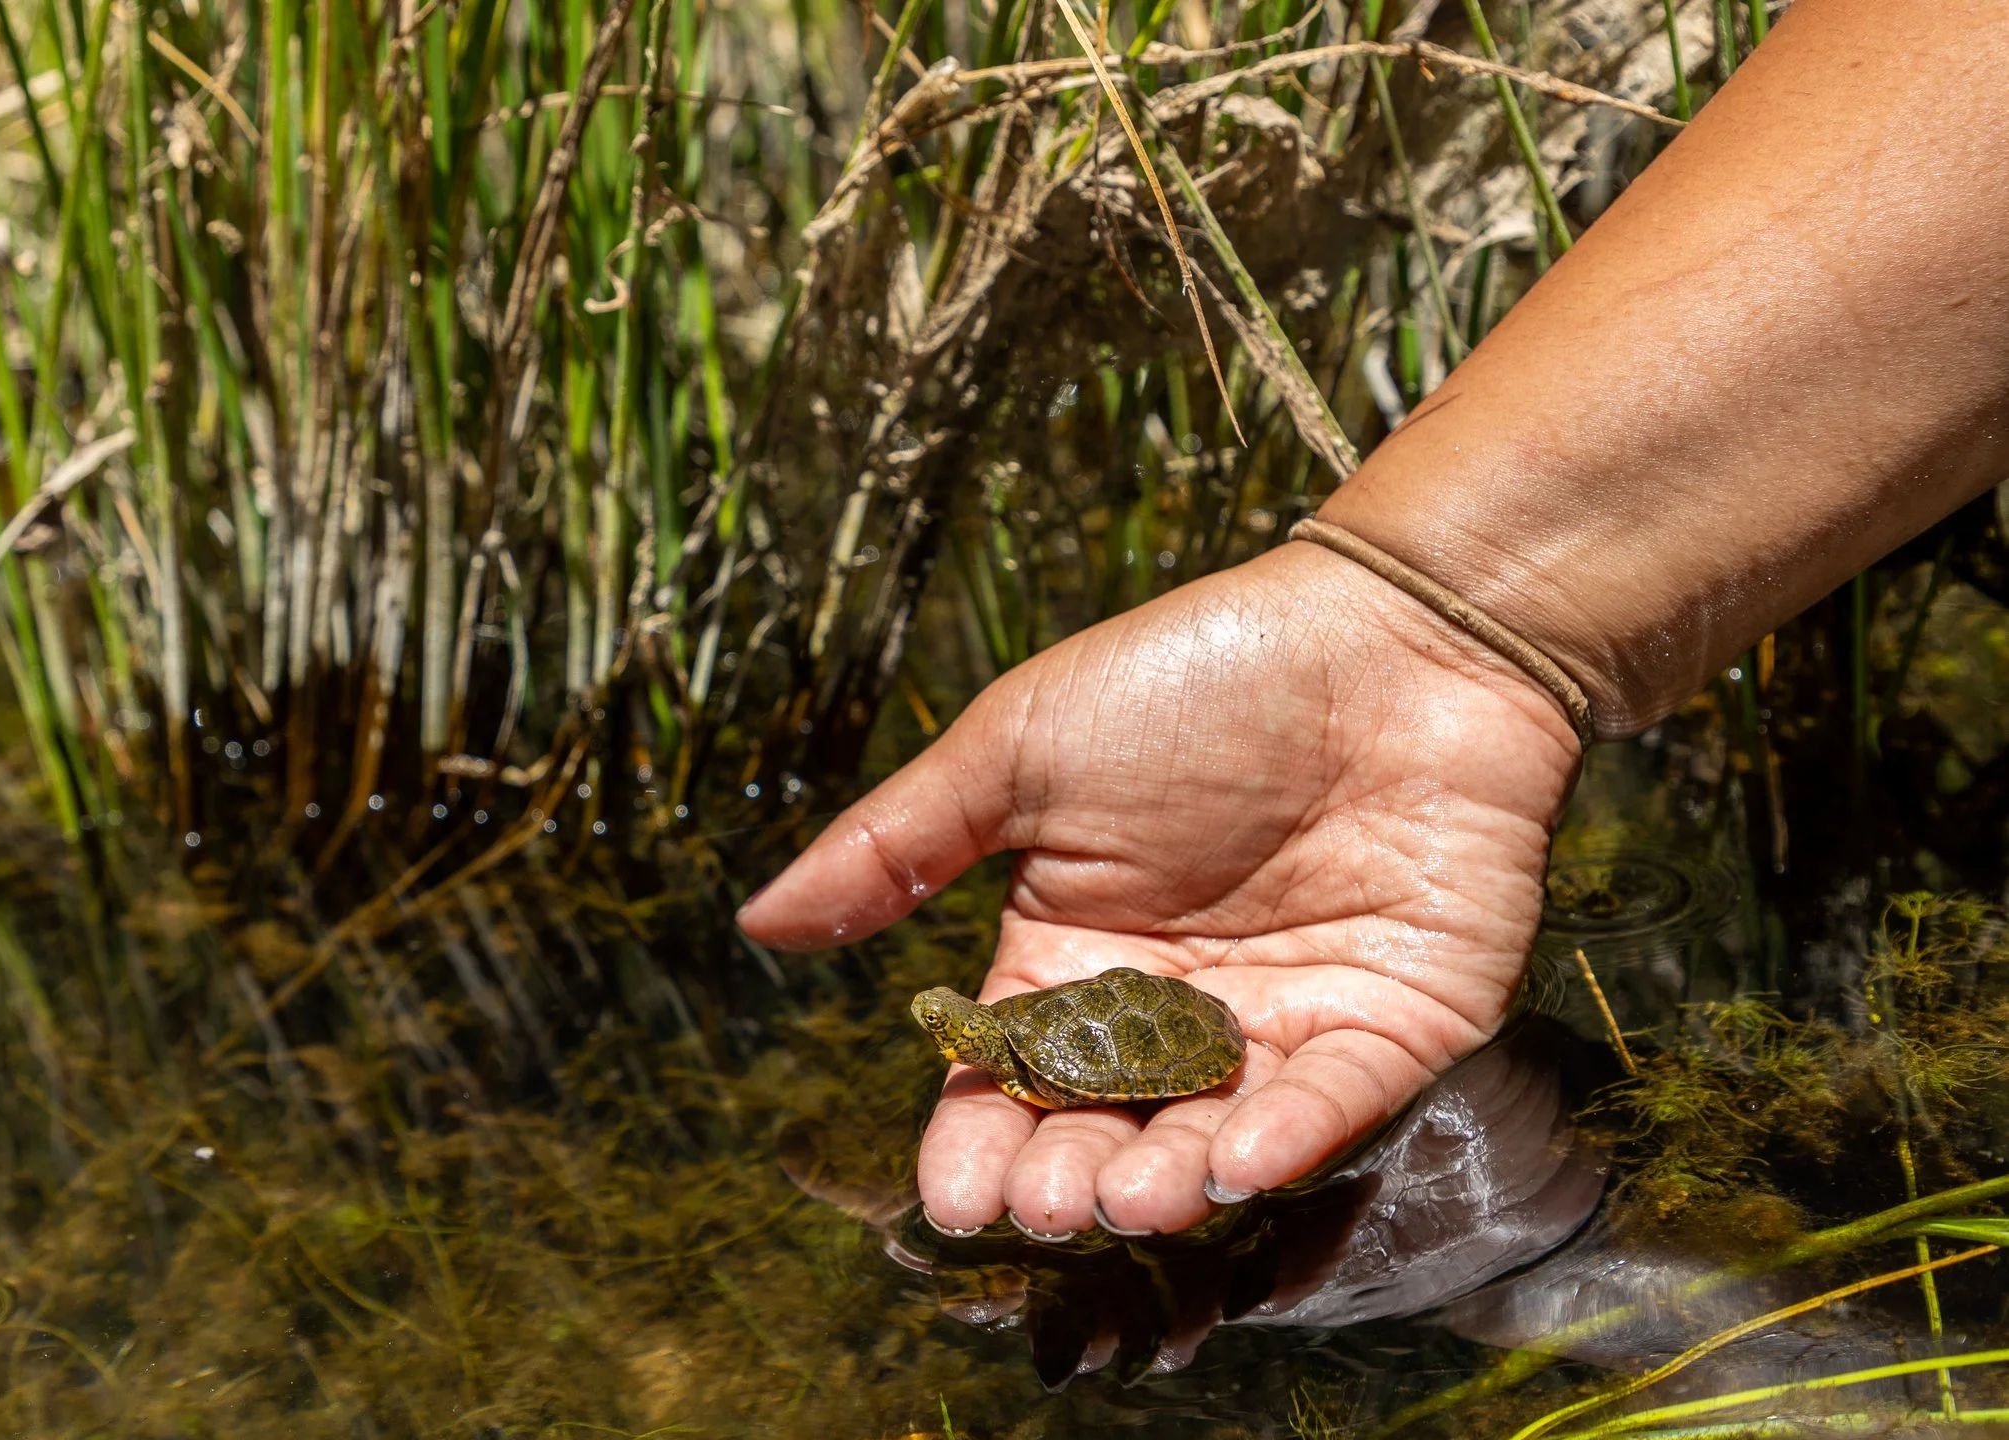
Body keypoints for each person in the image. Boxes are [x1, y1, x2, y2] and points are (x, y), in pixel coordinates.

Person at [735, 0, 2009, 1239]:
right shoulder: (1016, 1050)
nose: (944, 1033)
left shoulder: (1024, 1054)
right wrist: (1435, 617)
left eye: (951, 1030)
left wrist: (1435, 627)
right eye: (950, 1029)